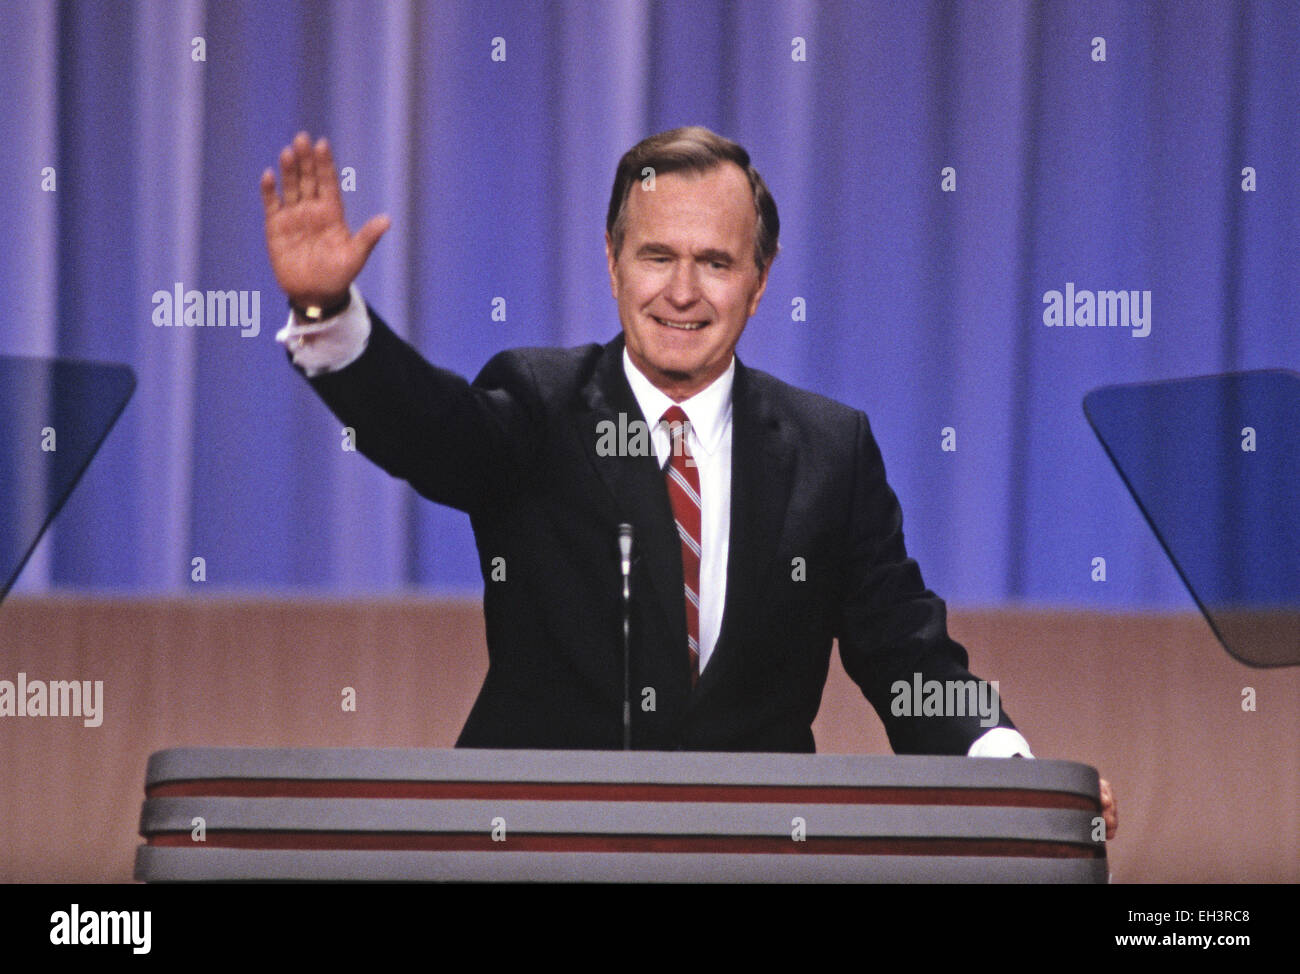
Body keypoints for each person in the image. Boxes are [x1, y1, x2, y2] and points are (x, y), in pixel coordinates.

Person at [260, 126, 1117, 837]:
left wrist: (1014, 777)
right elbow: (430, 432)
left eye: (714, 262)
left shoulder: (830, 449)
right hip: (538, 849)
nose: (680, 291)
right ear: (612, 261)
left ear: (760, 280)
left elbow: (907, 659)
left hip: (751, 856)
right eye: (655, 255)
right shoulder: (539, 403)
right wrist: (331, 321)